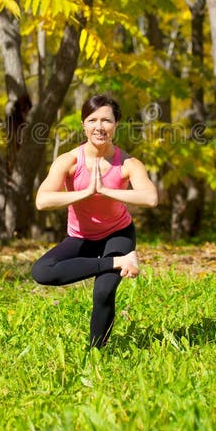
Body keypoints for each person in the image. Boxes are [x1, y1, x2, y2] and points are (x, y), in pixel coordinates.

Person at [31, 94, 158, 348]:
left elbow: (150, 197)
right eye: (92, 120)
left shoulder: (128, 163)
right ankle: (119, 261)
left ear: (116, 125)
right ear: (83, 125)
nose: (99, 127)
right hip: (81, 237)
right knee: (41, 271)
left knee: (103, 292)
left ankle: (96, 355)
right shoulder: (69, 161)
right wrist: (85, 192)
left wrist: (107, 191)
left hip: (117, 234)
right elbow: (42, 201)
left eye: (106, 121)